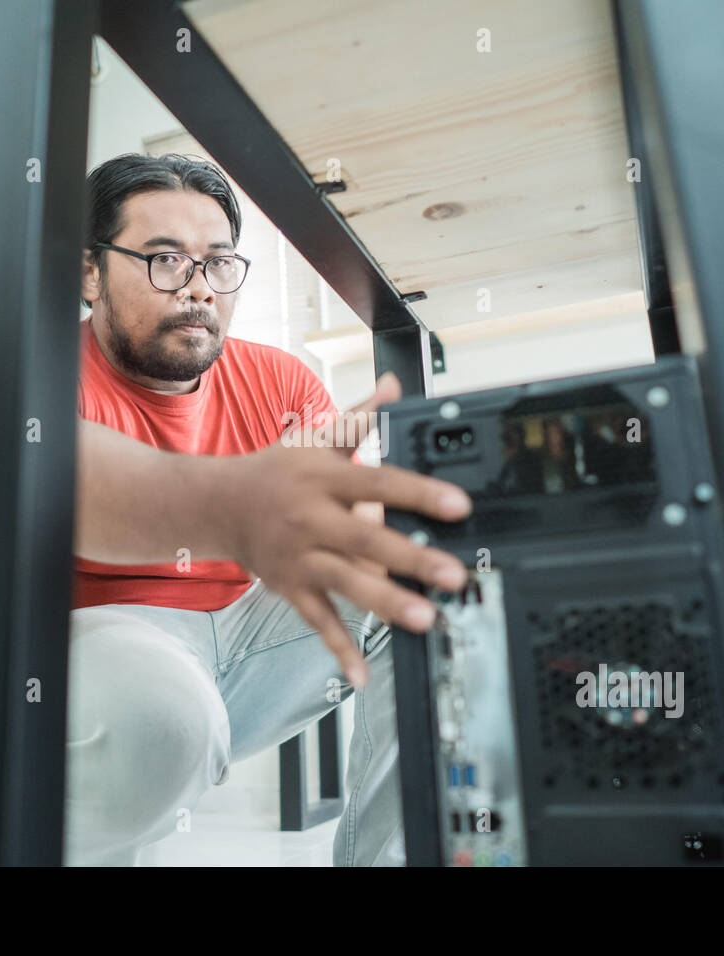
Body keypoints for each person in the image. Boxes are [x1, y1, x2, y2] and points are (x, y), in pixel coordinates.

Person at [67, 153, 473, 866]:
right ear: (90, 272)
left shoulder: (281, 379)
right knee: (162, 726)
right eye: (165, 260)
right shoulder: (47, 372)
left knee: (427, 592)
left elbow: (357, 534)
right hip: (113, 634)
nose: (198, 288)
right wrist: (240, 502)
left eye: (218, 264)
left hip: (254, 636)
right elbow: (77, 485)